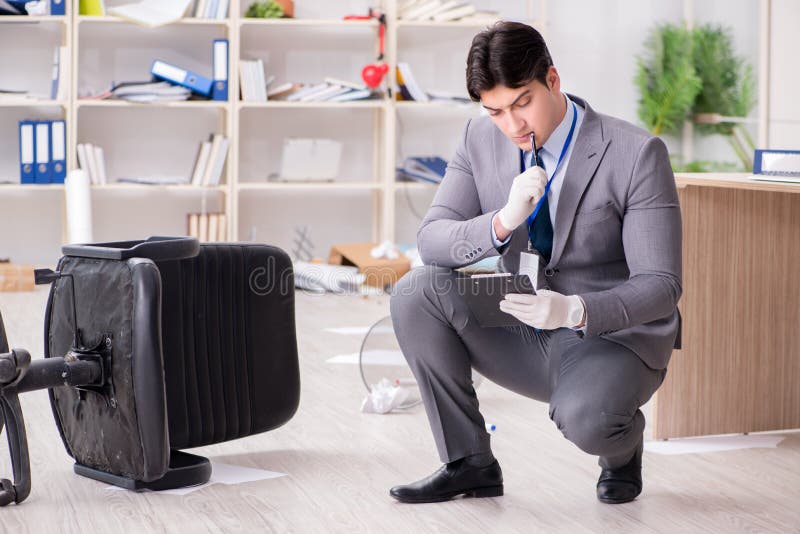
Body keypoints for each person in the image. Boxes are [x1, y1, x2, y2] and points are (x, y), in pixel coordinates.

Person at [388, 21, 682, 505]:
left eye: (522, 102)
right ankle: (470, 462)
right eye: (496, 111)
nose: (512, 125)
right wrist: (500, 222)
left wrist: (574, 310)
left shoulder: (635, 153)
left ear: (553, 79)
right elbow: (433, 240)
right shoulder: (479, 140)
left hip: (608, 335)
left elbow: (662, 284)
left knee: (590, 423)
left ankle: (622, 445)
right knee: (416, 292)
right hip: (522, 320)